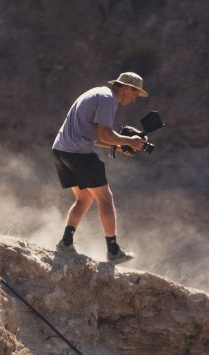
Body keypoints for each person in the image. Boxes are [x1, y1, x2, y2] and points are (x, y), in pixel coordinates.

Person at [51, 72, 150, 264]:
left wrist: (119, 145)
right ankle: (113, 250)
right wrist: (130, 141)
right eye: (135, 94)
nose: (134, 99)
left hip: (61, 151)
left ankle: (66, 242)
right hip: (79, 154)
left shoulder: (97, 93)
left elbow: (96, 137)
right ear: (126, 88)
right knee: (105, 198)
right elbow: (105, 134)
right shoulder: (107, 99)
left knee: (84, 197)